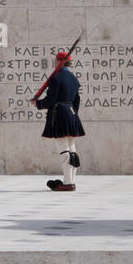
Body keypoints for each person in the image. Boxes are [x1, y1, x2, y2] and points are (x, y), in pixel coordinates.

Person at [33, 50, 85, 191]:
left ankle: (68, 183)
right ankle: (71, 181)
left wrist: (37, 104)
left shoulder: (55, 78)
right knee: (71, 149)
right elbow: (77, 100)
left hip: (60, 114)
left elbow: (50, 100)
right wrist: (72, 113)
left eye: (55, 60)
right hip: (72, 113)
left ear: (59, 61)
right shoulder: (74, 78)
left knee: (63, 150)